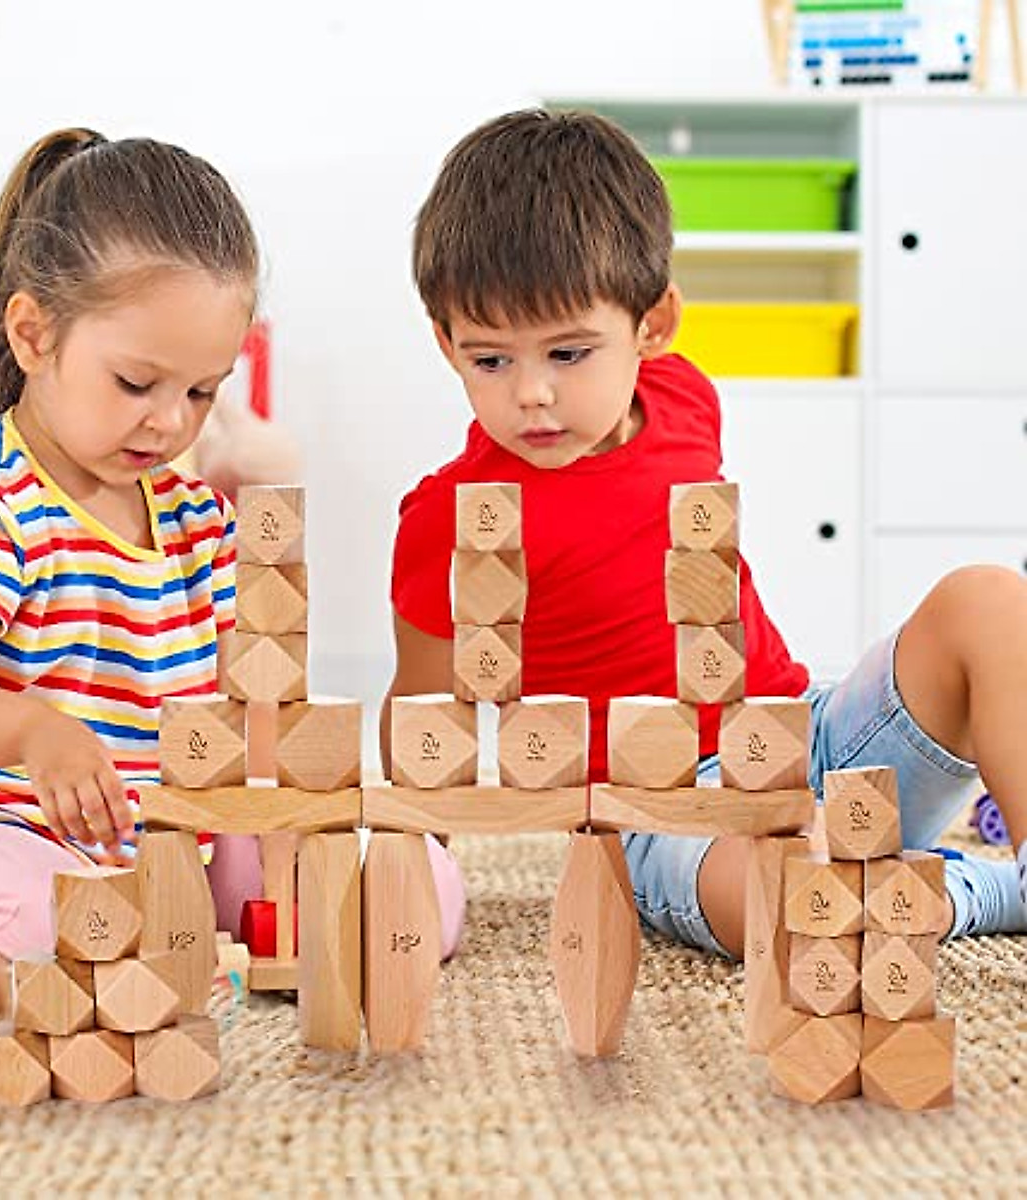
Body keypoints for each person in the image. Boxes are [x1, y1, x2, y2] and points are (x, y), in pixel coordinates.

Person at [0, 128, 460, 1020]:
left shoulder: (197, 519)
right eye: (136, 383)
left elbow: (250, 701)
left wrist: (295, 817)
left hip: (168, 833)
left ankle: (171, 936)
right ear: (33, 335)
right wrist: (35, 735)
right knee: (57, 928)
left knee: (412, 887)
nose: (170, 420)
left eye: (202, 392)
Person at [382, 108, 1027, 960]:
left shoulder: (682, 398)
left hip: (809, 736)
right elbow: (429, 722)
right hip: (662, 812)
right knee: (794, 895)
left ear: (653, 328)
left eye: (568, 354)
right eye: (492, 360)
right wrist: (414, 881)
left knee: (988, 599)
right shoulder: (450, 520)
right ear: (446, 343)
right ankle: (970, 892)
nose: (531, 394)